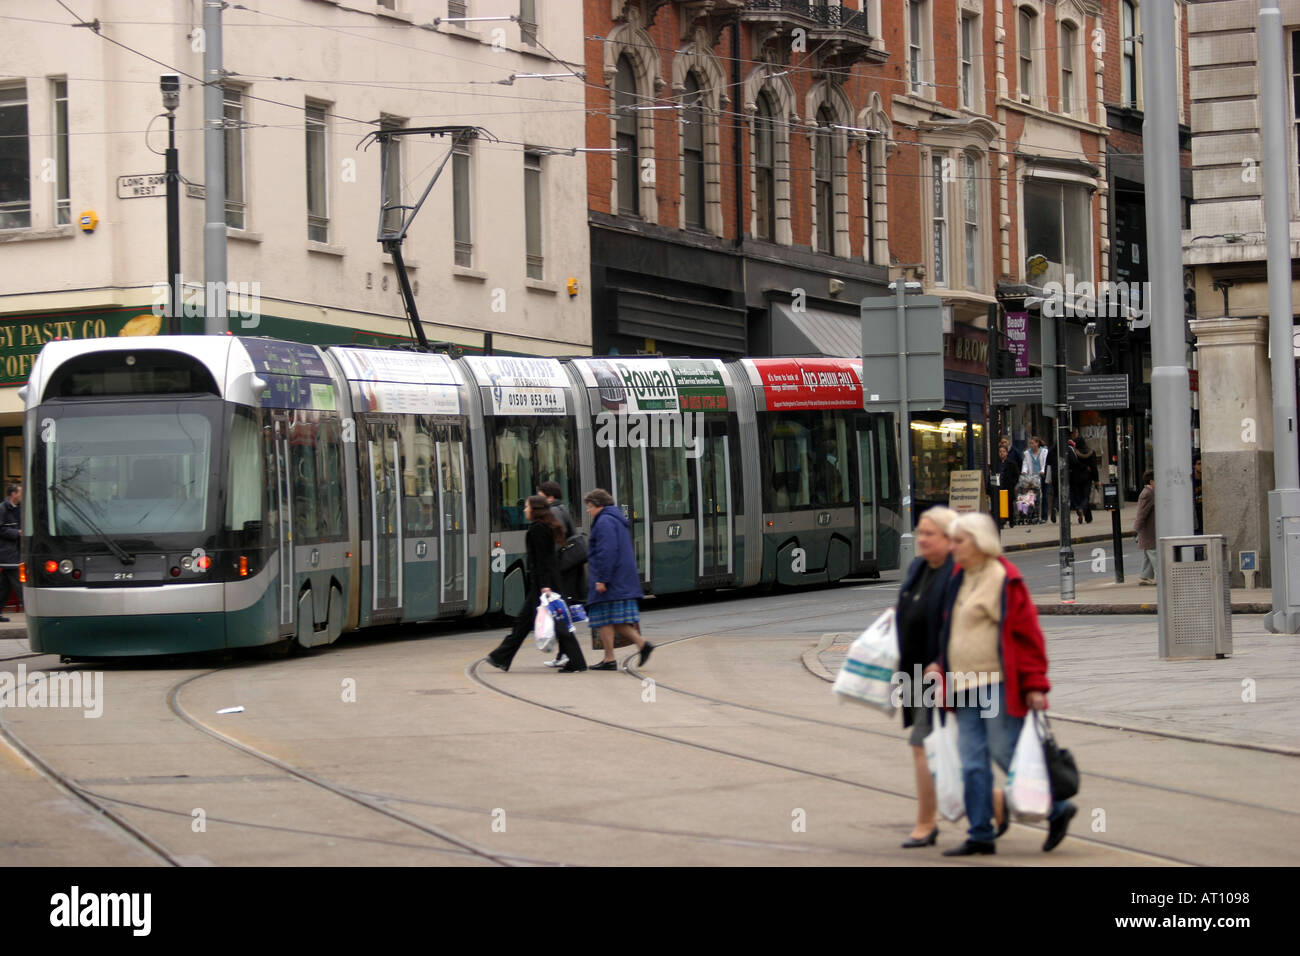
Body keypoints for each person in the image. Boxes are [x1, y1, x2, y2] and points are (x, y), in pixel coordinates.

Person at [936, 512, 1077, 856]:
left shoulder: (1004, 579)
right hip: (962, 684)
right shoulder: (958, 577)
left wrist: (1035, 686)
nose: (952, 547)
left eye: (959, 541)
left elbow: (1027, 637)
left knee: (1004, 752)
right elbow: (948, 632)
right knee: (971, 760)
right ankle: (980, 832)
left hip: (995, 684)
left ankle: (1057, 809)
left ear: (980, 542)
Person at [895, 506, 957, 848]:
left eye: (929, 534)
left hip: (951, 677)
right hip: (916, 675)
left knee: (980, 754)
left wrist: (943, 662)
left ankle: (1039, 807)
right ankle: (927, 821)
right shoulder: (919, 567)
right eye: (920, 533)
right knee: (924, 745)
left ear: (949, 539)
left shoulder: (957, 573)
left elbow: (965, 627)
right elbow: (908, 607)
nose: (922, 540)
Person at [486, 495, 588, 673]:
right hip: (545, 583)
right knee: (525, 623)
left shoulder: (538, 529)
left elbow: (542, 560)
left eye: (526, 507)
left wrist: (545, 587)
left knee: (555, 623)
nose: (524, 510)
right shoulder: (543, 527)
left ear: (534, 510)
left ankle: (577, 662)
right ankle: (501, 657)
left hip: (544, 585)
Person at [584, 488, 653, 671]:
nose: (588, 511)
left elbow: (607, 552)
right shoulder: (612, 519)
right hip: (619, 579)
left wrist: (602, 579)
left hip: (611, 580)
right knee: (615, 621)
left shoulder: (604, 522)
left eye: (589, 507)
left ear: (599, 505)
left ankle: (611, 658)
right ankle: (639, 646)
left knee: (606, 618)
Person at [538, 480, 584, 668]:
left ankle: (568, 655)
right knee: (560, 611)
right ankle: (565, 654)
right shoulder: (562, 509)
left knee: (559, 612)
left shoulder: (554, 512)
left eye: (540, 496)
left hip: (562, 569)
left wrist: (548, 570)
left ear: (550, 497)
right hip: (568, 567)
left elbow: (556, 543)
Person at [0, 483, 20, 623]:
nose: (21, 495)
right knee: (19, 582)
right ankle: (32, 611)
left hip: (14, 552)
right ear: (13, 494)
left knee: (4, 586)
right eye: (20, 492)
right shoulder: (2, 509)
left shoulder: (17, 509)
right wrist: (17, 533)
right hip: (7, 553)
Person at [1134, 470, 1157, 585]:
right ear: (1151, 481)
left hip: (1149, 530)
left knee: (1148, 554)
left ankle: (1144, 576)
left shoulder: (1151, 492)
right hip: (1148, 530)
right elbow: (1141, 513)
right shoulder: (1147, 494)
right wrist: (1137, 529)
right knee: (1153, 553)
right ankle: (1160, 576)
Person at [995, 438, 1023, 529]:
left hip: (1008, 486)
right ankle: (1002, 521)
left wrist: (1013, 483)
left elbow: (1016, 475)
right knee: (1001, 505)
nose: (1002, 453)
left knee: (1009, 504)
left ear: (1007, 453)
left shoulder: (1011, 463)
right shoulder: (997, 464)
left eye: (1003, 452)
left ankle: (1011, 520)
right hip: (1000, 486)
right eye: (1000, 452)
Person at [1021, 437, 1048, 523]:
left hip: (1042, 476)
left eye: (1033, 443)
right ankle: (1033, 515)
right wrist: (1024, 471)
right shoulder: (1027, 453)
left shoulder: (1044, 452)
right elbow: (1025, 463)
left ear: (1037, 443)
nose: (1031, 445)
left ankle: (1044, 516)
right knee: (1032, 496)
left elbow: (1045, 463)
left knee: (1043, 495)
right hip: (1032, 477)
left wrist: (1043, 471)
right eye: (1030, 444)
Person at [1192, 457, 1203, 535]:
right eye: (1199, 464)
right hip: (1196, 513)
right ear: (1194, 466)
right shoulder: (1191, 480)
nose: (1201, 466)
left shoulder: (1205, 478)